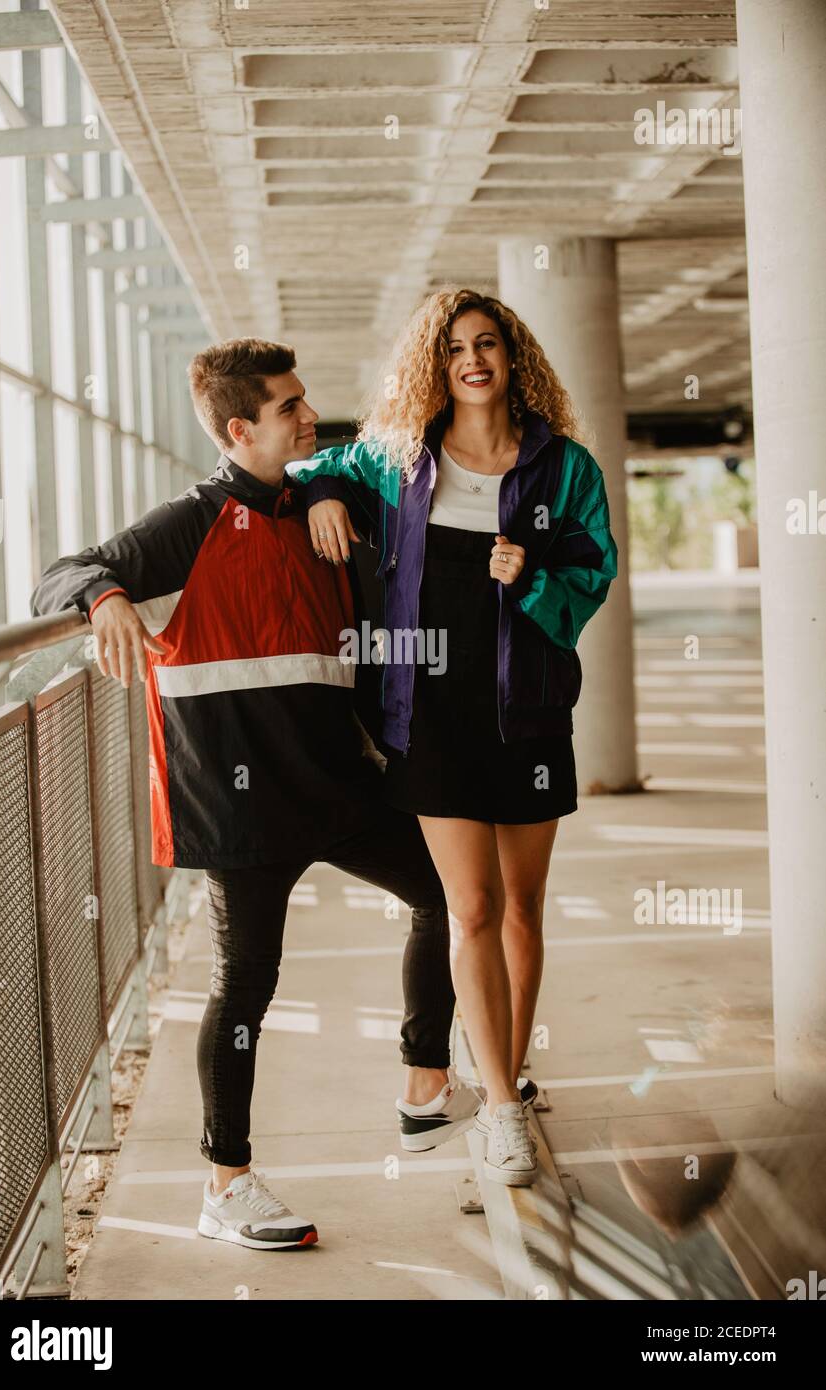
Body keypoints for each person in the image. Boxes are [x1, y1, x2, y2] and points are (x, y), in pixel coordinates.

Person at [30, 337, 483, 1252]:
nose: (309, 416)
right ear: (240, 429)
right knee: (244, 992)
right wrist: (105, 596)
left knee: (446, 893)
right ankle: (224, 1184)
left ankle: (425, 1084)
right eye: (289, 409)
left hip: (341, 787)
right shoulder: (186, 525)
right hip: (239, 812)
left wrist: (316, 486)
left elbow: (349, 470)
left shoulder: (317, 504)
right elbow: (59, 572)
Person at [288, 289, 618, 1185]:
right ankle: (502, 1112)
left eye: (486, 344)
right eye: (452, 349)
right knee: (467, 908)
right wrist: (322, 493)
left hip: (530, 709)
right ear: (434, 366)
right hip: (427, 715)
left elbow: (597, 570)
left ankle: (504, 1068)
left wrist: (533, 575)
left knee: (520, 908)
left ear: (512, 358)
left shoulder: (563, 467)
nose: (471, 360)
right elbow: (315, 466)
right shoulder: (398, 460)